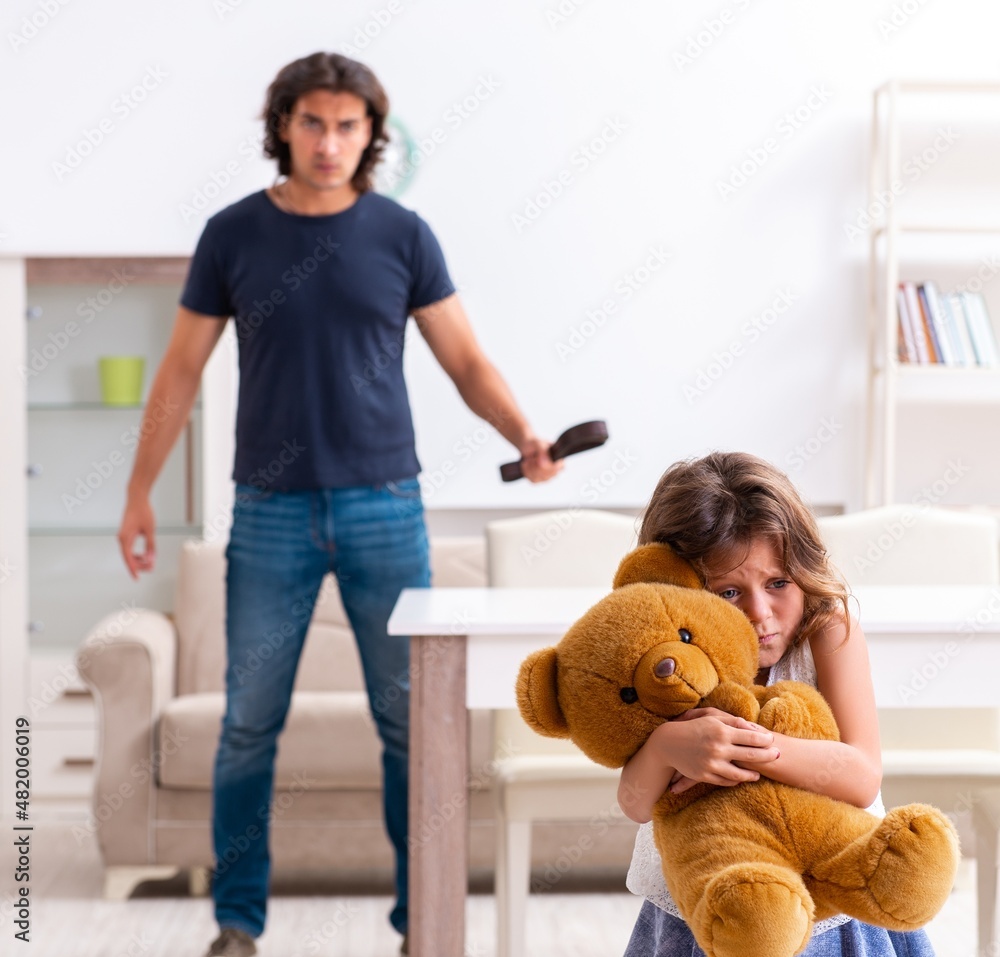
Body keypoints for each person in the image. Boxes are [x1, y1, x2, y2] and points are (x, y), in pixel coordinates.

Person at [116, 52, 562, 957]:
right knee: (247, 726)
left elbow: (465, 361)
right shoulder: (232, 234)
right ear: (283, 126)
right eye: (313, 123)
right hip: (270, 511)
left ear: (372, 134)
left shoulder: (403, 234)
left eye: (349, 125)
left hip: (387, 511)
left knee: (412, 727)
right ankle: (237, 924)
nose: (330, 142)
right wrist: (136, 491)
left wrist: (523, 432)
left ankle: (420, 925)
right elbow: (180, 370)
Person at [617, 451, 937, 957]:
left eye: (778, 583)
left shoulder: (827, 634)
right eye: (727, 592)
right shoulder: (669, 663)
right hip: (707, 907)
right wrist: (665, 747)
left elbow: (860, 776)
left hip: (828, 905)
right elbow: (635, 803)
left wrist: (750, 748)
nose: (760, 614)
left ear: (804, 571)